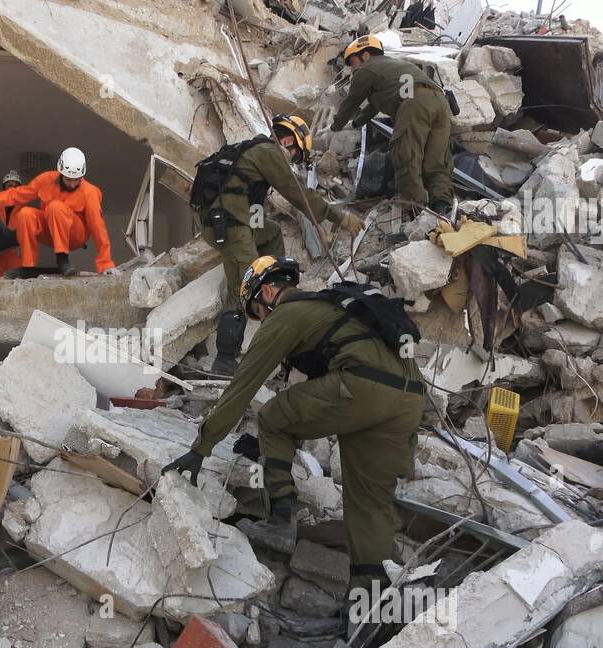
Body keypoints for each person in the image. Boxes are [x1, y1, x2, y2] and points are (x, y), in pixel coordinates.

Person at [162, 255, 425, 596]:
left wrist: (201, 447)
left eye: (255, 311)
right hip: (408, 398)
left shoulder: (286, 315)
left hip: (362, 388)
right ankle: (369, 604)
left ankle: (280, 520)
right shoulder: (333, 311)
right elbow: (306, 406)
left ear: (268, 292)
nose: (258, 320)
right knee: (369, 503)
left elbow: (243, 386)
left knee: (271, 418)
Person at [193, 114, 358, 376]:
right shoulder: (269, 152)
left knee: (271, 233)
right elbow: (297, 192)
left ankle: (277, 286)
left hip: (236, 220)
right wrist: (339, 217)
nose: (292, 161)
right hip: (231, 226)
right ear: (289, 139)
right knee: (244, 286)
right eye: (295, 155)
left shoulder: (257, 148)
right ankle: (225, 359)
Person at [330, 34, 454, 216]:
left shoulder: (367, 69)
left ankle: (415, 209)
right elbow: (373, 106)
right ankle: (442, 208)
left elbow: (351, 102)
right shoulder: (392, 67)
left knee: (406, 154)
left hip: (415, 102)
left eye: (352, 62)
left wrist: (336, 126)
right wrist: (356, 123)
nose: (352, 68)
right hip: (440, 103)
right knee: (435, 159)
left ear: (365, 55)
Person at [0, 147, 116, 277]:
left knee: (55, 206)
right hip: (51, 231)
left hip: (75, 235)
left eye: (76, 180)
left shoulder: (89, 192)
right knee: (25, 214)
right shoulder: (45, 181)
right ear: (60, 173)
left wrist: (106, 263)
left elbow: (98, 227)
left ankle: (62, 259)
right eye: (68, 179)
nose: (72, 184)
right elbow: (16, 195)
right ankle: (28, 268)